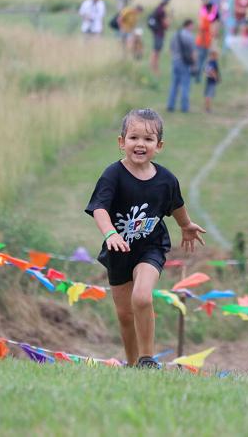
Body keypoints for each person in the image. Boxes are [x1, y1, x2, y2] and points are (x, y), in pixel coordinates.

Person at [85, 108, 206, 368]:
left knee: (141, 297)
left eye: (148, 139)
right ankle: (132, 365)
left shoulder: (166, 180)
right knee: (125, 314)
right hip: (119, 251)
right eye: (134, 138)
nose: (140, 144)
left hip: (151, 247)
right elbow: (99, 208)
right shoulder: (113, 175)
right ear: (122, 142)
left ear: (158, 146)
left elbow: (175, 204)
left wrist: (186, 225)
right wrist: (110, 234)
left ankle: (147, 359)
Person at [167, 19, 196, 113]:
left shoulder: (175, 35)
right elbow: (193, 53)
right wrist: (194, 64)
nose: (193, 28)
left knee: (174, 84)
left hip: (175, 61)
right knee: (185, 85)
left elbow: (170, 49)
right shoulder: (190, 36)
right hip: (185, 63)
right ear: (188, 25)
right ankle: (184, 107)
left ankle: (170, 105)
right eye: (192, 25)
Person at [148, 0, 171, 75]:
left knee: (155, 50)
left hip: (156, 33)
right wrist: (169, 20)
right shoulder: (162, 11)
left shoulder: (157, 8)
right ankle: (154, 69)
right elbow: (165, 24)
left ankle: (152, 67)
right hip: (159, 33)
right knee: (156, 52)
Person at [195, 2, 217, 83]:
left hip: (203, 42)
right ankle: (197, 77)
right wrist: (204, 43)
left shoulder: (205, 18)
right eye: (212, 9)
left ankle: (197, 75)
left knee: (201, 60)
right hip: (203, 43)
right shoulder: (205, 19)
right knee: (201, 60)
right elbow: (203, 30)